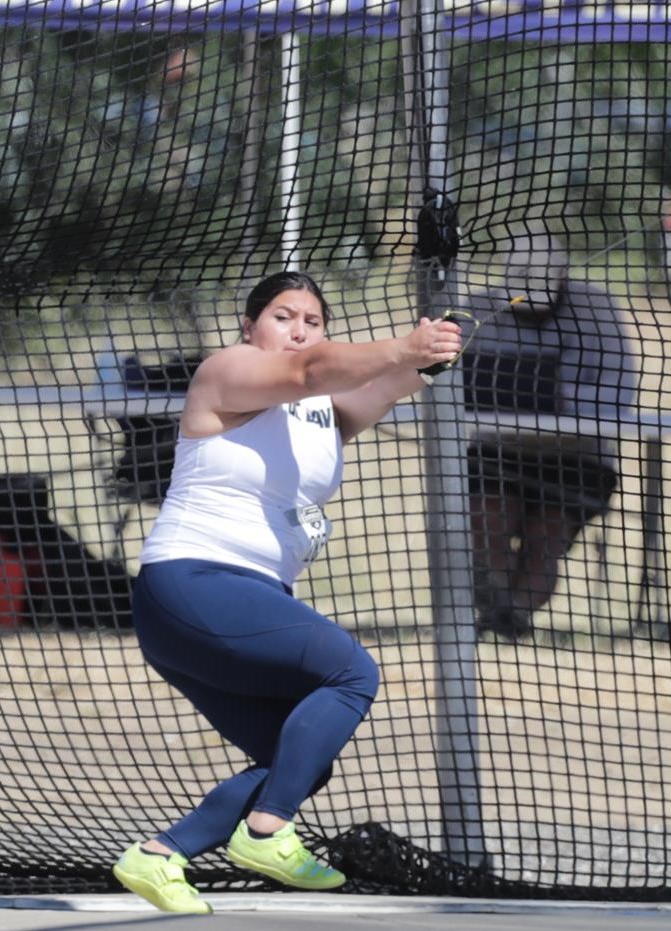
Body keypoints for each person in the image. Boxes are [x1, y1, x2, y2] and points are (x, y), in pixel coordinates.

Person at [110, 271, 463, 914]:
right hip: (194, 583)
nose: (299, 329)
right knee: (350, 672)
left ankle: (160, 855)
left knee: (299, 758)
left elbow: (378, 386)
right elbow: (312, 370)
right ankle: (268, 832)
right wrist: (406, 345)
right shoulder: (229, 370)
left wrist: (433, 355)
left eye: (312, 320)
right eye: (283, 315)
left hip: (226, 605)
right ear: (250, 327)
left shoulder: (321, 409)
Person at [456, 233, 640, 639]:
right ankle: (496, 601)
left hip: (579, 458)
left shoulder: (597, 310)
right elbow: (455, 382)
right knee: (489, 520)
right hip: (497, 450)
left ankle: (513, 616)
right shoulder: (479, 310)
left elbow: (620, 388)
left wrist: (556, 395)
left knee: (547, 534)